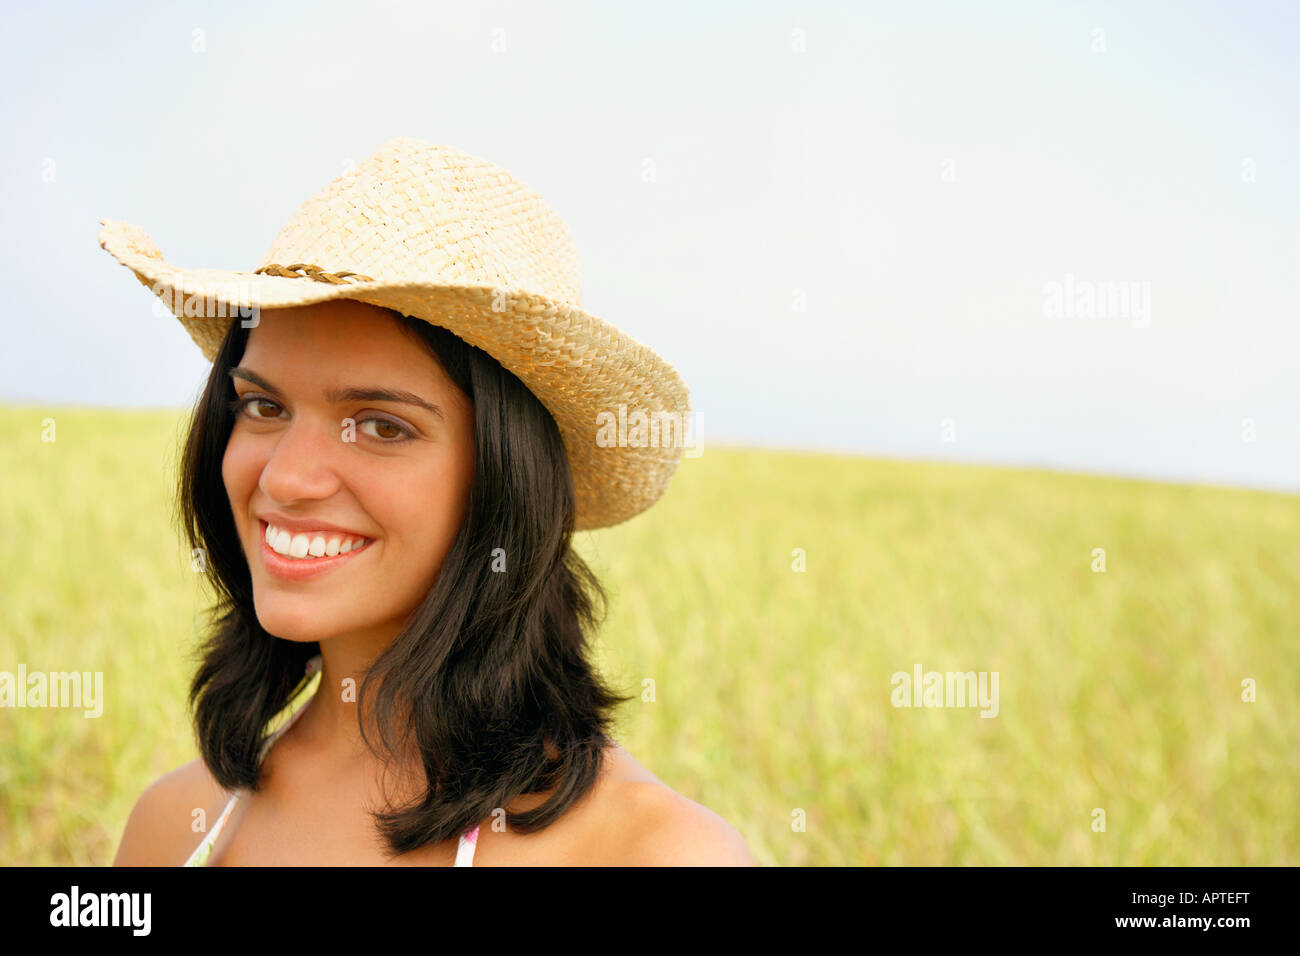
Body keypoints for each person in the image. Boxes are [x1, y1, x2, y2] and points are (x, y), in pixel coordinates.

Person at [100, 138, 754, 866]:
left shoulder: (650, 853)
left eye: (381, 425)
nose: (285, 479)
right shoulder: (174, 824)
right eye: (262, 406)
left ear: (507, 479)